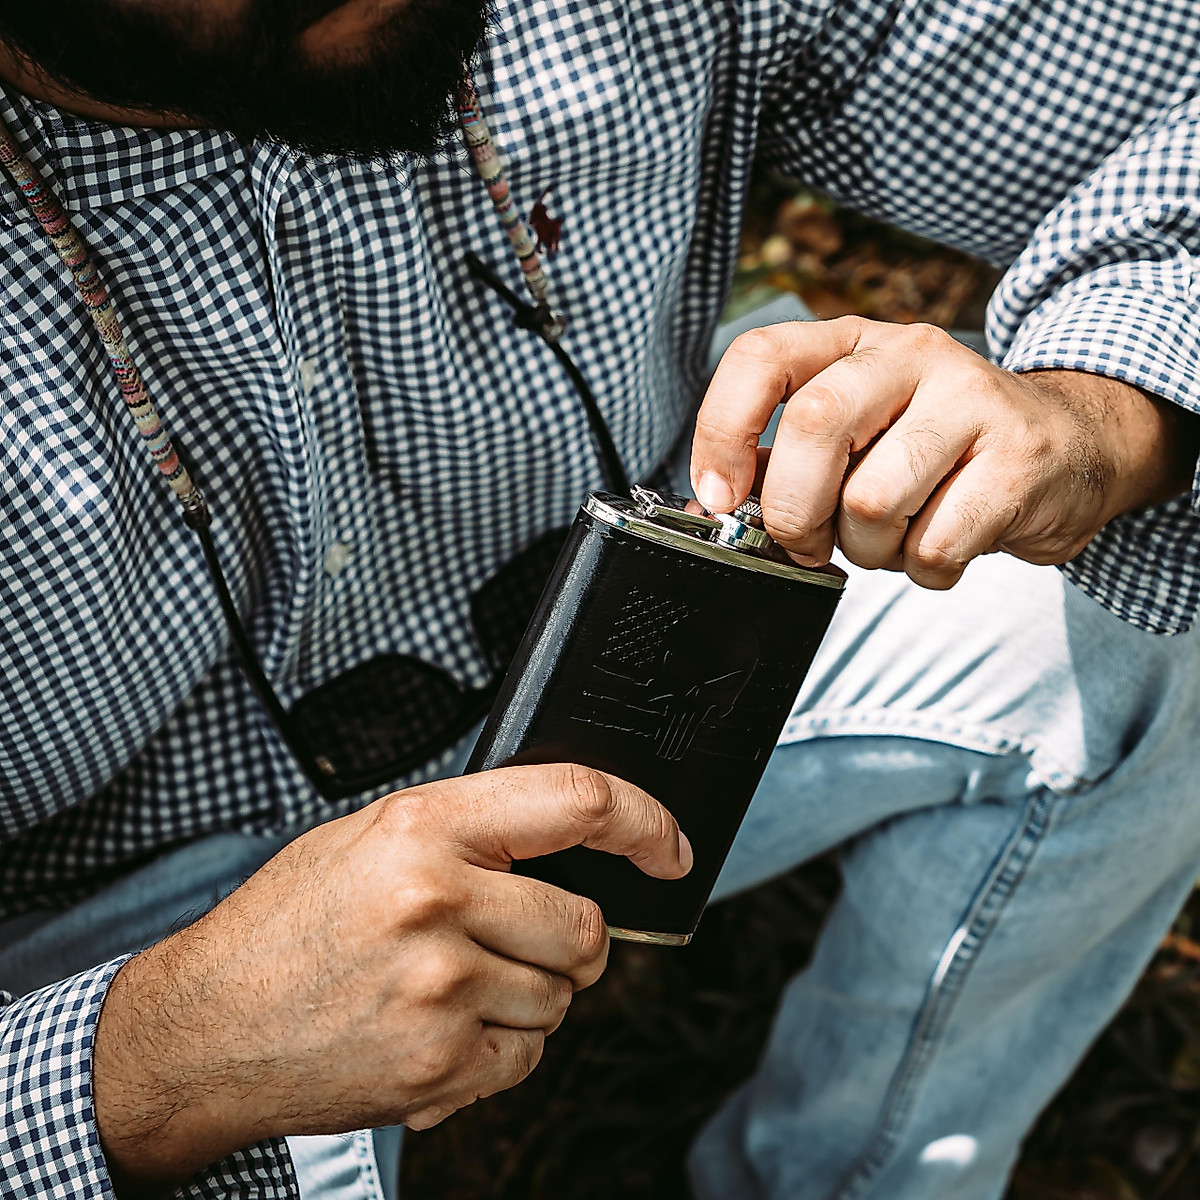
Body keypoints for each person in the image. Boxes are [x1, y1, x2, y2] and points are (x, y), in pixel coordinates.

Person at [2, 0, 1200, 1198]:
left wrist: (1104, 410)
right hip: (101, 933)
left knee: (1125, 625)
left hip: (650, 653)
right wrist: (145, 1064)